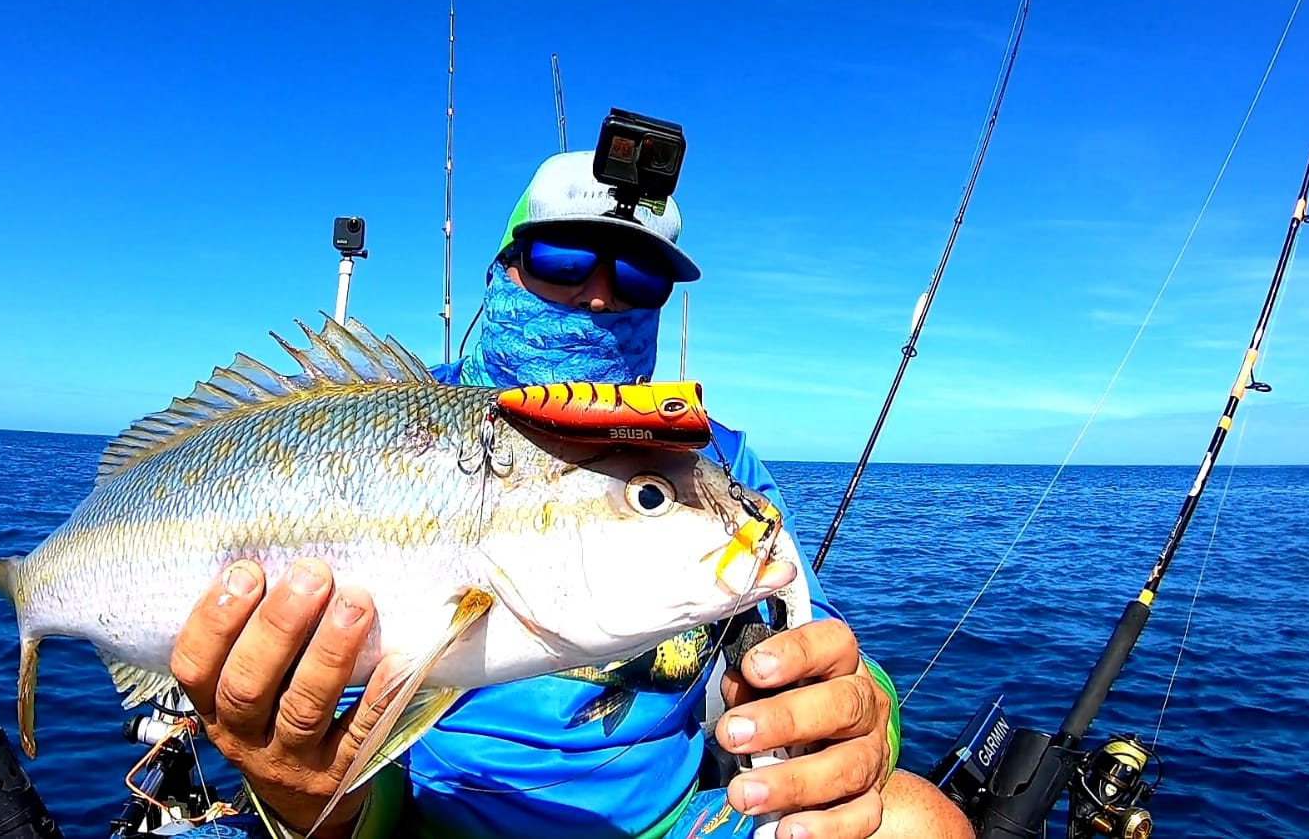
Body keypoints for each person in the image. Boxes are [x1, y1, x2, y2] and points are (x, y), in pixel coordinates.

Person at [170, 151, 974, 838]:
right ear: (503, 270)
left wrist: (865, 710)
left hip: (662, 817)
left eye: (638, 274)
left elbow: (817, 638)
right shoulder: (391, 426)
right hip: (411, 807)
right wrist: (298, 779)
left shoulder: (718, 459)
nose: (599, 296)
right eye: (561, 259)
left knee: (917, 819)